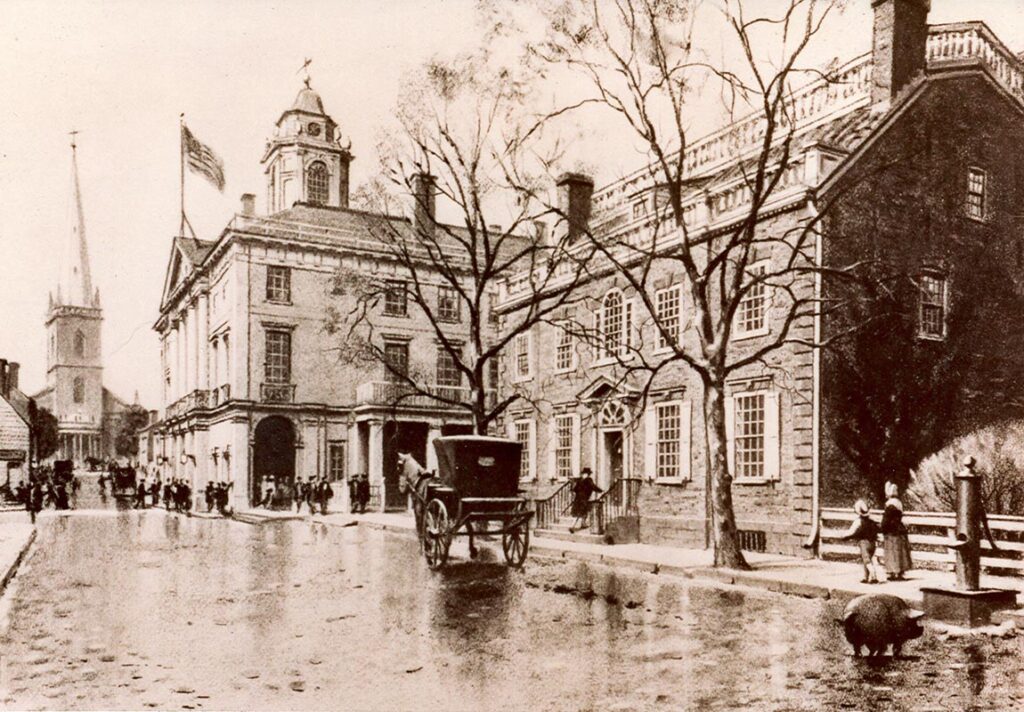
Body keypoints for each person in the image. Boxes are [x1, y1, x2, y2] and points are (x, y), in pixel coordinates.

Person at [841, 499, 881, 584]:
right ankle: (865, 577)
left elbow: (852, 531)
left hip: (864, 543)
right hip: (873, 543)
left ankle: (874, 576)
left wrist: (844, 536)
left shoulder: (858, 521)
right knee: (868, 559)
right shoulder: (871, 521)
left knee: (866, 560)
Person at [881, 481, 913, 581]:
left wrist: (882, 528)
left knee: (892, 552)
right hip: (899, 529)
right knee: (900, 551)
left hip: (891, 531)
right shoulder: (898, 503)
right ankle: (900, 572)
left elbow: (886, 520)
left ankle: (892, 572)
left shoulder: (889, 505)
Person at [568, 468, 602, 533]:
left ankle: (583, 524)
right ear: (587, 474)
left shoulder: (580, 480)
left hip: (577, 499)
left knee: (583, 512)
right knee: (580, 513)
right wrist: (601, 491)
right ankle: (572, 526)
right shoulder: (589, 480)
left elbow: (575, 489)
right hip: (583, 499)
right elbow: (593, 487)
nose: (586, 475)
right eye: (587, 474)